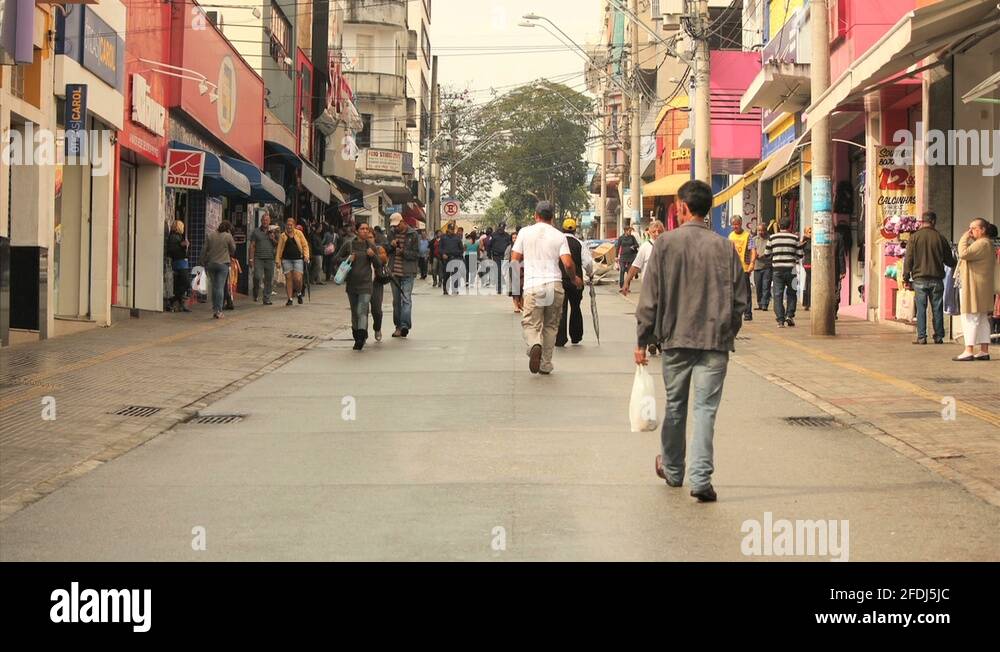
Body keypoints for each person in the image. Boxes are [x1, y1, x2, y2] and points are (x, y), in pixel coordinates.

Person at [635, 180, 748, 503]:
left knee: (676, 405)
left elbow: (650, 299)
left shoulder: (665, 244)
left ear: (682, 208)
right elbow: (741, 300)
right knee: (705, 410)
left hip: (675, 340)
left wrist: (643, 340)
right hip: (715, 342)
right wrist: (727, 331)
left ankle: (673, 469)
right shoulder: (725, 247)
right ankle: (700, 478)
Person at [511, 201, 581, 375]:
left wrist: (516, 290)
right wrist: (574, 279)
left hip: (533, 286)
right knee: (550, 326)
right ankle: (545, 364)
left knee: (530, 324)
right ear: (552, 218)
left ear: (535, 216)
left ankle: (535, 343)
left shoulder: (524, 233)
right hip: (554, 285)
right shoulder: (559, 236)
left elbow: (514, 261)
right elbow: (567, 263)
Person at [902, 211, 955, 344]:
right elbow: (949, 260)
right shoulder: (940, 238)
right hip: (937, 279)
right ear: (933, 221)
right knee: (937, 308)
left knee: (921, 309)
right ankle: (938, 336)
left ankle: (921, 337)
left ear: (922, 221)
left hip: (919, 279)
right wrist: (957, 264)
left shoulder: (914, 238)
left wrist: (906, 276)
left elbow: (908, 259)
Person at [337, 222, 387, 351]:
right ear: (357, 231)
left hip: (366, 284)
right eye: (362, 229)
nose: (365, 231)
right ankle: (357, 335)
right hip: (352, 284)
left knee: (362, 310)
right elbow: (335, 259)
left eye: (366, 229)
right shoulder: (349, 244)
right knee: (355, 312)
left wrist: (373, 255)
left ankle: (360, 338)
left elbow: (378, 265)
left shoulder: (370, 246)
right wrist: (347, 259)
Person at [954, 218, 996, 361]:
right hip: (981, 286)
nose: (970, 231)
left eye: (973, 228)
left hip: (974, 287)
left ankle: (969, 350)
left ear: (983, 230)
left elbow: (963, 253)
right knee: (982, 318)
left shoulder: (982, 244)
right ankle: (984, 350)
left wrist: (964, 238)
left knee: (970, 318)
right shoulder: (987, 244)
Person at [556, 218, 593, 347]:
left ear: (562, 228)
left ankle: (560, 338)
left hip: (559, 280)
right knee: (576, 307)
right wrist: (590, 274)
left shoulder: (557, 242)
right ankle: (576, 336)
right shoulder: (580, 243)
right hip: (576, 281)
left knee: (561, 309)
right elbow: (588, 262)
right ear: (575, 229)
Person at [766, 217, 804, 328]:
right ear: (789, 226)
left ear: (779, 226)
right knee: (792, 293)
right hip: (791, 270)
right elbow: (800, 255)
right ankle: (790, 315)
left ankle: (780, 320)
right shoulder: (795, 238)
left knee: (777, 294)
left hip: (777, 270)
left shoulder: (772, 238)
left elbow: (767, 253)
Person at [387, 213, 419, 337]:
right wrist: (391, 245)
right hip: (394, 272)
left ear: (403, 222)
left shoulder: (413, 234)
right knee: (396, 301)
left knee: (406, 299)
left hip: (408, 272)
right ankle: (398, 326)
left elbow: (416, 254)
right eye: (394, 226)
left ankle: (404, 325)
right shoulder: (391, 234)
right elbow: (385, 249)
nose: (396, 227)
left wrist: (403, 252)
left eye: (397, 225)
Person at [199, 220, 237, 319]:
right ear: (228, 228)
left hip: (211, 264)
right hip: (223, 264)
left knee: (214, 287)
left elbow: (204, 249)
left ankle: (215, 307)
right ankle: (218, 311)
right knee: (220, 287)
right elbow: (233, 249)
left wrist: (202, 261)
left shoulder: (210, 235)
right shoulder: (228, 236)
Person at [620, 219, 665, 297]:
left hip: (665, 288)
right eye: (654, 232)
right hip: (649, 288)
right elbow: (635, 266)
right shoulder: (645, 247)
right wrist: (626, 282)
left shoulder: (668, 245)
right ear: (650, 233)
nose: (657, 234)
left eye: (659, 231)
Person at [275, 217, 310, 306]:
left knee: (297, 278)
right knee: (288, 279)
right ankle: (290, 299)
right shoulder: (283, 236)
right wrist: (278, 260)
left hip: (298, 259)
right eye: (288, 225)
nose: (289, 226)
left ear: (294, 225)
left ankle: (298, 292)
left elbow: (305, 245)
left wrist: (306, 256)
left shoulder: (299, 233)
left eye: (291, 225)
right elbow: (279, 249)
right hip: (286, 259)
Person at [728, 216, 754, 322]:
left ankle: (748, 313)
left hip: (744, 268)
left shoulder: (748, 235)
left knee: (746, 292)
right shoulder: (730, 236)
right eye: (733, 224)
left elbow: (753, 250)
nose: (735, 226)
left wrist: (752, 263)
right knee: (732, 291)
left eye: (737, 224)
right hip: (732, 267)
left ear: (741, 223)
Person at [249, 210, 278, 305]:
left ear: (269, 221)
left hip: (270, 258)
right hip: (258, 258)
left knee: (269, 279)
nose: (265, 222)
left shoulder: (274, 231)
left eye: (267, 220)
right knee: (257, 276)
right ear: (261, 221)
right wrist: (251, 259)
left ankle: (266, 298)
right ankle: (255, 291)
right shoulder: (256, 232)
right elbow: (252, 245)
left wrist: (272, 238)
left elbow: (278, 245)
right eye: (264, 220)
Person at [166, 220, 191, 312]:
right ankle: (173, 299)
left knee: (180, 283)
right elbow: (172, 250)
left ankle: (179, 303)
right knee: (186, 282)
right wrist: (182, 245)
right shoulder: (174, 237)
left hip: (181, 262)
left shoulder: (177, 236)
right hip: (179, 262)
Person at [750, 223, 771, 311]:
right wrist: (754, 255)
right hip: (757, 266)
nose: (760, 232)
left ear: (765, 230)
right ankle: (759, 303)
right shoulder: (754, 239)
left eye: (762, 230)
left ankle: (765, 304)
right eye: (759, 230)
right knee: (758, 286)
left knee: (766, 286)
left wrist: (765, 256)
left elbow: (772, 251)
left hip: (767, 266)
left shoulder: (770, 239)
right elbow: (750, 250)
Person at [440, 222, 465, 295]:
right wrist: (443, 254)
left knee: (455, 275)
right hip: (446, 259)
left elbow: (461, 249)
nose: (452, 230)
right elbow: (440, 248)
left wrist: (459, 254)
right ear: (448, 229)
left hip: (455, 258)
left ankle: (455, 289)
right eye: (450, 229)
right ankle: (445, 289)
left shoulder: (457, 238)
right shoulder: (443, 237)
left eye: (453, 229)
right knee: (446, 275)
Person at [489, 223, 512, 295]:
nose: (501, 229)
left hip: (505, 256)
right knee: (498, 272)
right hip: (496, 256)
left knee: (506, 273)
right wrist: (489, 256)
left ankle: (509, 288)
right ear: (498, 227)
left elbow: (510, 245)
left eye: (503, 227)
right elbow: (489, 246)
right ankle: (499, 289)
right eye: (501, 227)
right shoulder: (493, 235)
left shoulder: (507, 236)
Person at [506, 229, 523, 313]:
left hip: (522, 270)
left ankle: (520, 303)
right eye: (513, 238)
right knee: (515, 288)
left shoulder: (523, 247)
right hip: (513, 270)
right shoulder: (509, 248)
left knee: (522, 287)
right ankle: (516, 306)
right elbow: (506, 259)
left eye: (516, 237)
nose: (515, 239)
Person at [800, 226, 813, 310]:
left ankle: (807, 303)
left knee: (808, 282)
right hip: (809, 264)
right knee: (809, 283)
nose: (811, 233)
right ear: (805, 233)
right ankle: (808, 302)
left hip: (810, 263)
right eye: (809, 231)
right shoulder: (806, 241)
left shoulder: (811, 241)